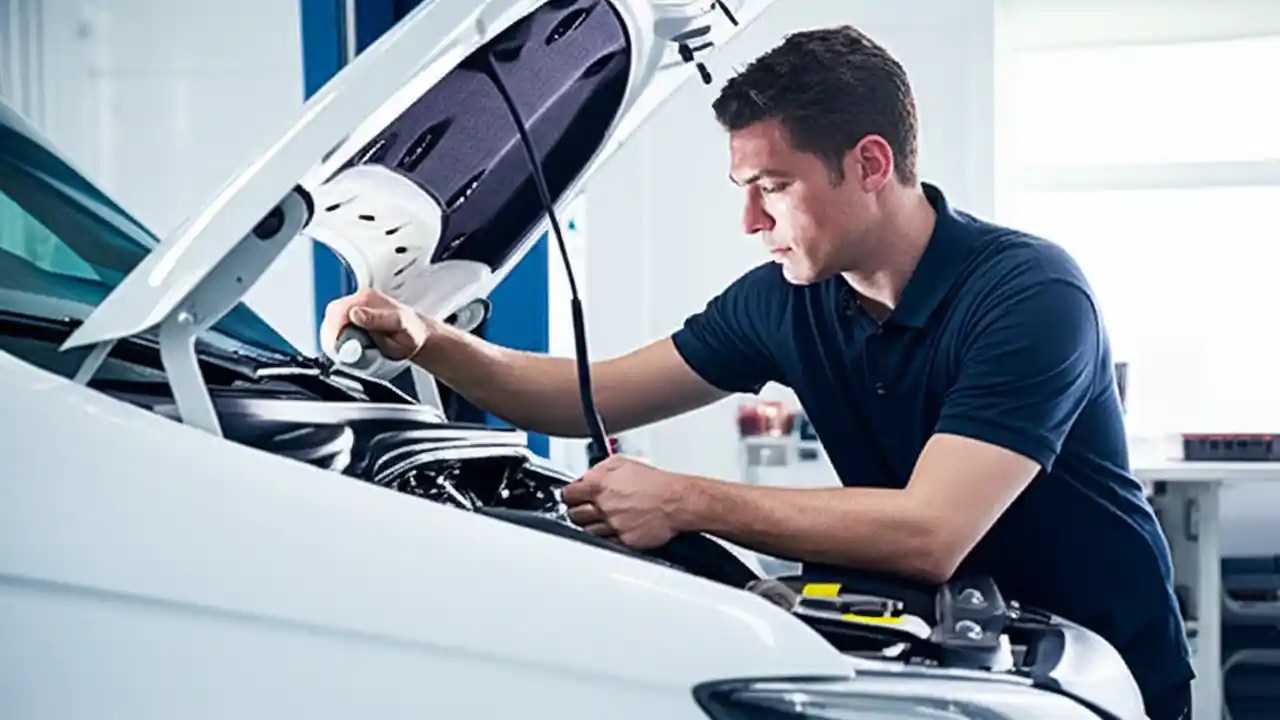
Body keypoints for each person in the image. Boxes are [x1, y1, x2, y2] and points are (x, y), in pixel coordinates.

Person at [322, 25, 1193, 719]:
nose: (749, 220)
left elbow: (931, 533)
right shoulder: (785, 300)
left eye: (772, 186)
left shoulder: (1029, 293)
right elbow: (585, 397)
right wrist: (425, 336)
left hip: (1094, 675)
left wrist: (684, 500)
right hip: (950, 663)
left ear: (870, 164)